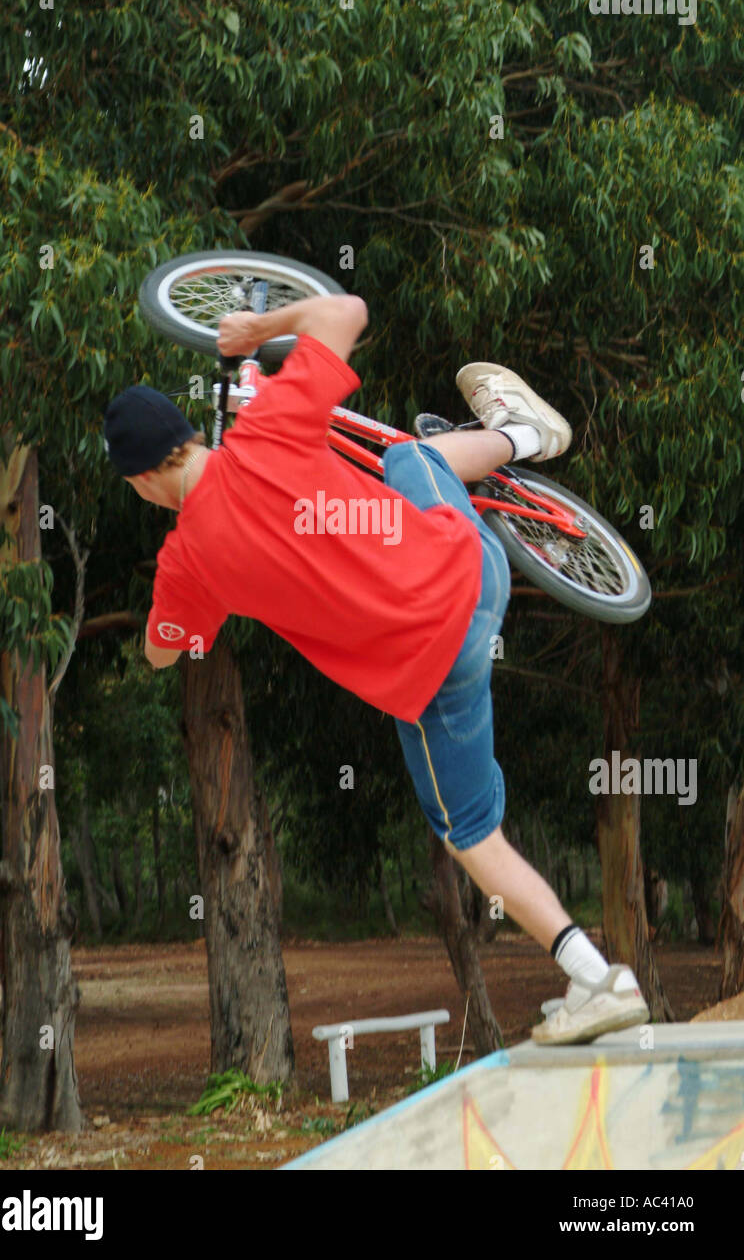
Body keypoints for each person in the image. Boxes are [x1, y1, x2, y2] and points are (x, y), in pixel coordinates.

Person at [103, 293, 649, 1045]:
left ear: (138, 482)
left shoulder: (185, 565)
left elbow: (163, 652)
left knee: (473, 838)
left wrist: (172, 613)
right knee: (409, 455)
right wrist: (261, 329)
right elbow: (347, 310)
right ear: (190, 435)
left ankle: (601, 980)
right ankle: (519, 436)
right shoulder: (264, 428)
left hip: (438, 671)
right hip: (472, 566)